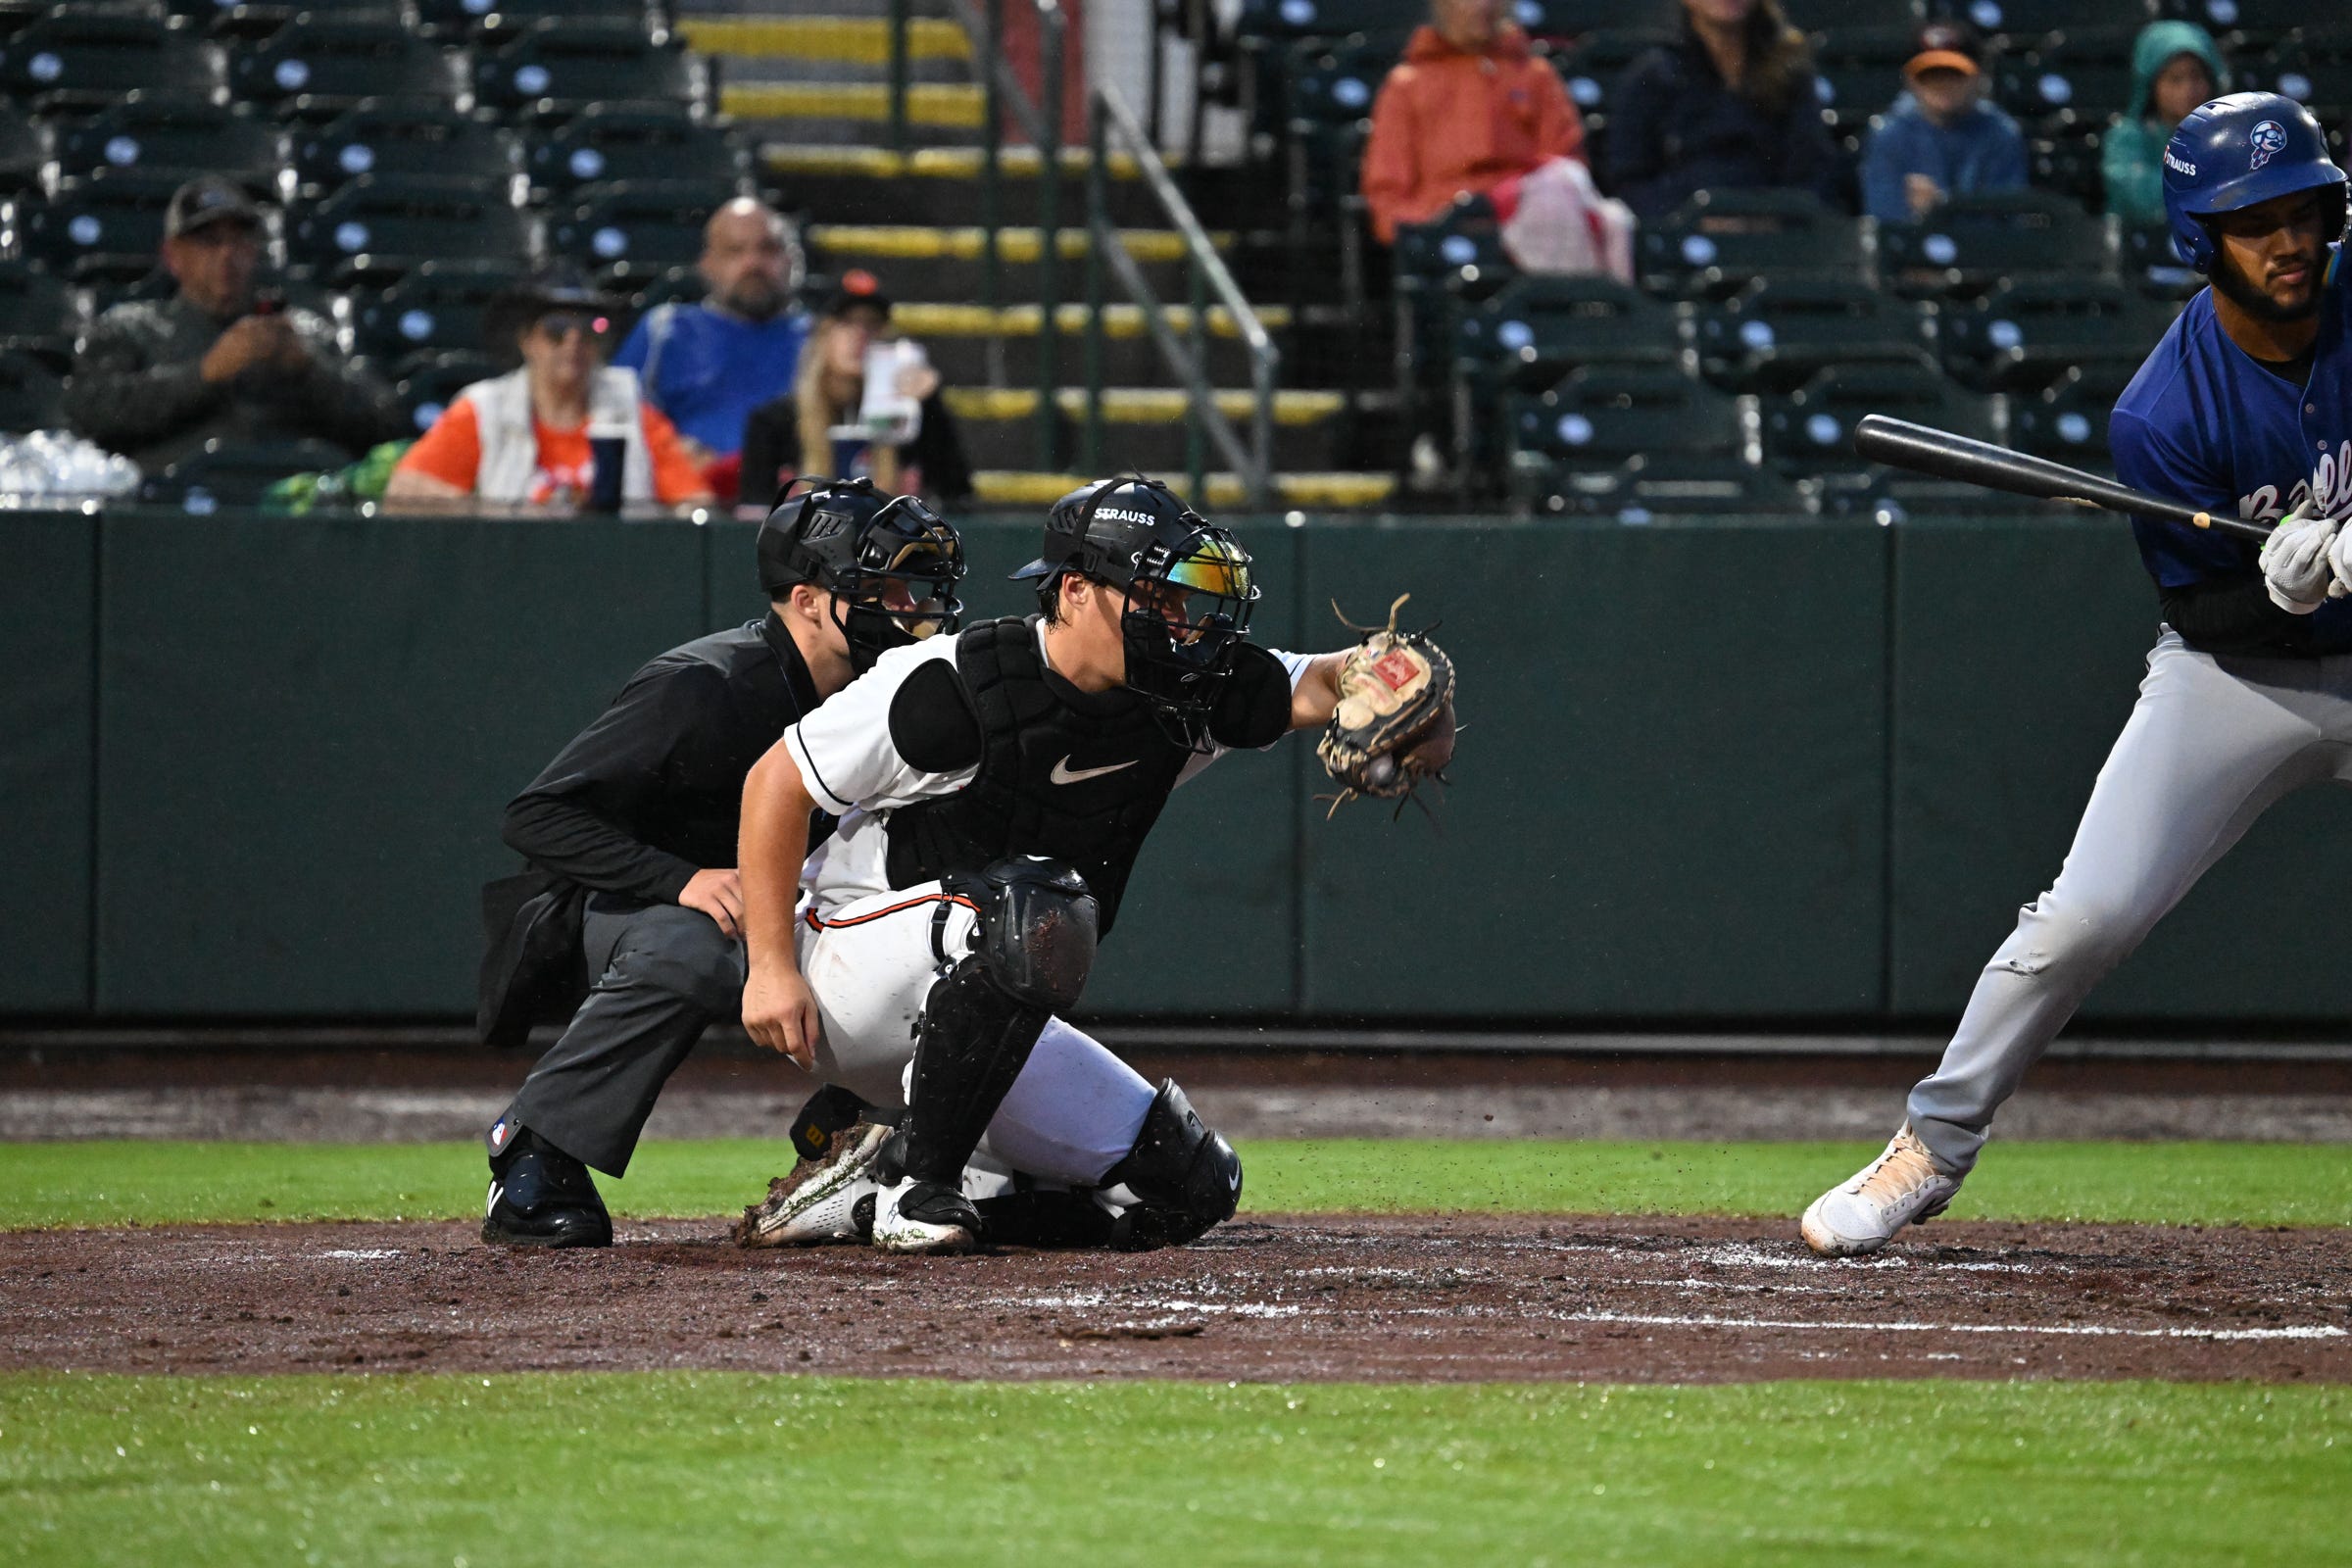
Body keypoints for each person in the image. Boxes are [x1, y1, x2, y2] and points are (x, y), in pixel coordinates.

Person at [1801, 95, 2351, 1257]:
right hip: (2240, 674)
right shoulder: (2160, 413)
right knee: (2080, 919)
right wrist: (2287, 586)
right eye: (2257, 222)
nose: (2290, 241)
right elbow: (2200, 605)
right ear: (2201, 239)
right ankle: (1930, 1147)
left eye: (2306, 211)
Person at [732, 478, 1372, 1254]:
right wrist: (769, 965)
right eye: (1155, 597)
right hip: (847, 968)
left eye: (1183, 602)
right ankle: (916, 1189)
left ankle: (873, 1181)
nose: (1178, 622)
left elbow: (1327, 681)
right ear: (1075, 590)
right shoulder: (956, 681)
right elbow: (776, 782)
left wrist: (1406, 687)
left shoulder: (1183, 689)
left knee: (1188, 1183)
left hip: (978, 998)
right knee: (1034, 903)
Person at [477, 479, 967, 1247]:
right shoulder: (704, 686)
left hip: (789, 913)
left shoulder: (895, 694)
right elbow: (537, 816)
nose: (911, 607)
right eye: (885, 587)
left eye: (917, 587)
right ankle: (536, 1150)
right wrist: (682, 879)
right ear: (808, 600)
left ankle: (873, 1136)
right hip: (620, 913)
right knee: (696, 939)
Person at [63, 175, 406, 474]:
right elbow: (90, 416)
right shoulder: (131, 328)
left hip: (289, 516)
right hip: (169, 515)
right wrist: (204, 374)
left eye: (239, 240)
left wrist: (308, 370)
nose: (227, 255)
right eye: (209, 242)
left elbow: (385, 426)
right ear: (173, 257)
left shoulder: (303, 332)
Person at [385, 273, 713, 511]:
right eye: (556, 331)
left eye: (590, 331)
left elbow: (696, 503)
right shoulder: (485, 409)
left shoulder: (631, 410)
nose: (574, 343)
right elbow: (402, 492)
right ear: (526, 341)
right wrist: (484, 512)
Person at [611, 198, 810, 496]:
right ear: (707, 265)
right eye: (735, 251)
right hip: (688, 506)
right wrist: (673, 455)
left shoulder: (821, 341)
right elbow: (614, 418)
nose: (753, 263)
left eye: (768, 249)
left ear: (793, 260)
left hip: (797, 508)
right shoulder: (663, 331)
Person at [737, 270, 971, 513]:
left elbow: (959, 500)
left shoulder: (913, 419)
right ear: (822, 336)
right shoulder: (774, 423)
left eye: (872, 324)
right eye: (846, 322)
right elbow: (753, 517)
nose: (860, 334)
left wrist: (931, 406)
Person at [1358, 0, 1586, 246]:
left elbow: (1564, 169)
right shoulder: (1406, 85)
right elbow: (1387, 192)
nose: (1482, 5)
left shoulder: (1537, 76)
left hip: (1529, 226)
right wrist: (1424, 232)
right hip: (1439, 227)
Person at [1601, 0, 1843, 224]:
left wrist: (1771, 221)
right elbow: (1630, 183)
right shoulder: (1651, 77)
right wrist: (1691, 220)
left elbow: (1814, 171)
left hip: (1779, 245)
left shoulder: (1791, 73)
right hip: (1681, 247)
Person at [1858, 21, 2028, 224]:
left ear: (1977, 77)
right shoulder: (1890, 135)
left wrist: (1941, 206)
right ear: (1911, 81)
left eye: (1954, 74)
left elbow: (2005, 222)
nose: (1942, 84)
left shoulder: (2001, 134)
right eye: (1929, 75)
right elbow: (1885, 221)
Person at [2102, 20, 2227, 227]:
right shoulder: (2126, 138)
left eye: (2196, 77)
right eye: (2175, 79)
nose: (2188, 90)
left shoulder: (2227, 137)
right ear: (2152, 84)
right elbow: (2139, 199)